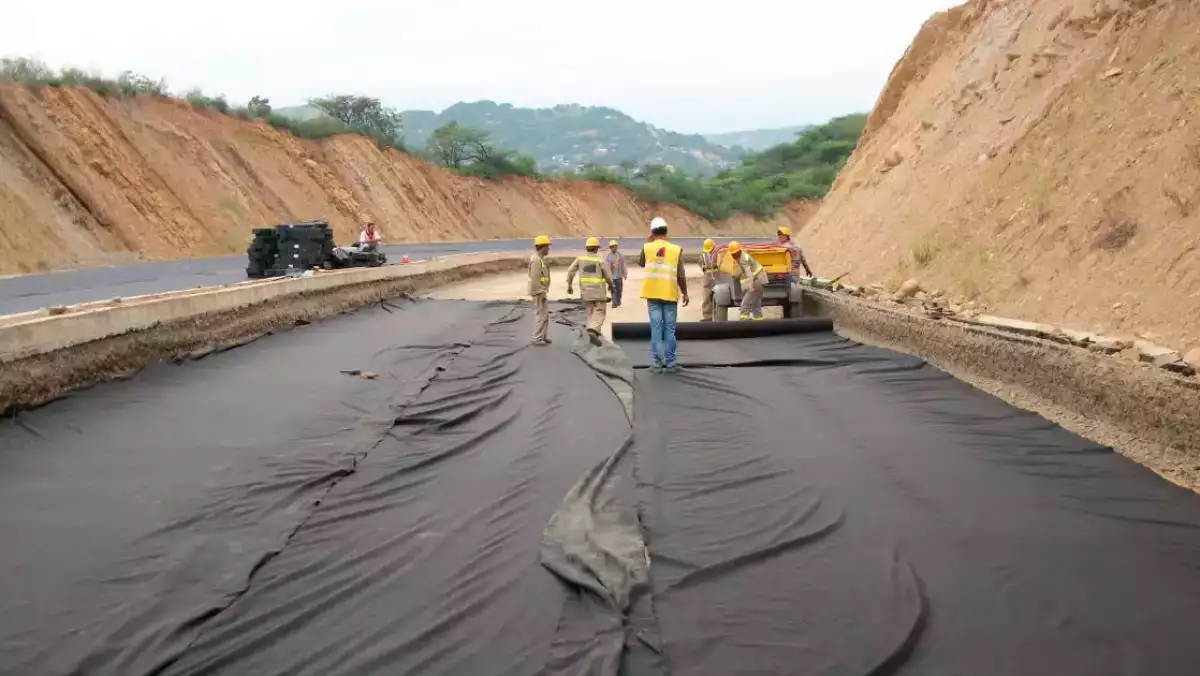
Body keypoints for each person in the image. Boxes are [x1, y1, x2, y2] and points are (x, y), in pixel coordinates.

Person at [637, 217, 689, 373]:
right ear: (667, 231)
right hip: (669, 293)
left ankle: (657, 364)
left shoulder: (647, 247)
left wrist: (649, 241)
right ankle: (671, 363)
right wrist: (685, 292)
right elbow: (681, 274)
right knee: (670, 329)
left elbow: (641, 263)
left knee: (656, 328)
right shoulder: (675, 249)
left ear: (652, 232)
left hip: (652, 294)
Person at [567, 237, 615, 345]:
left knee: (590, 313)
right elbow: (608, 276)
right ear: (596, 249)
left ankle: (592, 334)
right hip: (598, 292)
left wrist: (569, 285)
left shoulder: (580, 259)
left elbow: (570, 271)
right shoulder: (600, 260)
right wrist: (611, 286)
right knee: (600, 312)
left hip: (585, 292)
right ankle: (593, 331)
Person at [728, 241, 767, 321]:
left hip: (756, 281)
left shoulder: (743, 259)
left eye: (733, 254)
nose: (732, 256)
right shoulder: (742, 257)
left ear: (737, 252)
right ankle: (759, 323)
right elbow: (743, 273)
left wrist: (750, 286)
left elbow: (749, 274)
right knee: (756, 305)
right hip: (760, 280)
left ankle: (744, 323)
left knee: (744, 305)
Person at [529, 235, 552, 345]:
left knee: (545, 315)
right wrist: (539, 292)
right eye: (547, 246)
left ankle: (543, 336)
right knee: (541, 315)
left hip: (542, 291)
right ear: (542, 247)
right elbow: (534, 279)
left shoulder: (541, 260)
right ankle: (537, 338)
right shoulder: (536, 260)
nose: (549, 248)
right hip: (539, 293)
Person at [603, 240, 629, 308]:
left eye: (614, 246)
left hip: (619, 276)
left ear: (616, 247)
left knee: (619, 291)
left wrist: (625, 273)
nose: (613, 248)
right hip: (611, 277)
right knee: (613, 290)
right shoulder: (608, 256)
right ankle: (614, 303)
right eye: (611, 247)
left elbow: (624, 265)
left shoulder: (620, 256)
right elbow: (606, 267)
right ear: (610, 248)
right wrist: (606, 276)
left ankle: (618, 301)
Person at [699, 238, 719, 321]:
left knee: (714, 297)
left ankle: (714, 316)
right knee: (707, 298)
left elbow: (700, 264)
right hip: (712, 278)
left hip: (714, 277)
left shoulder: (718, 254)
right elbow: (701, 263)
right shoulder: (717, 253)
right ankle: (708, 317)